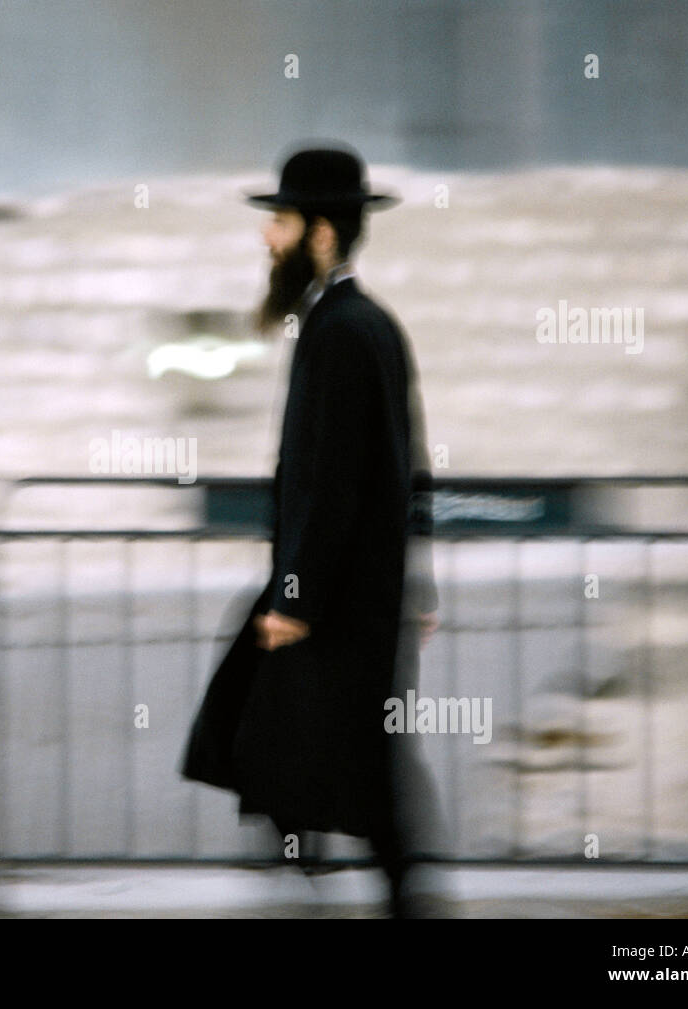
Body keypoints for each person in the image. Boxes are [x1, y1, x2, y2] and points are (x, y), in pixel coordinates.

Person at [180, 143, 446, 917]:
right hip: (352, 595)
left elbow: (332, 483)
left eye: (283, 222)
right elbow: (408, 468)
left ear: (322, 235)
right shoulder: (364, 325)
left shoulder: (340, 331)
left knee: (352, 762)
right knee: (296, 738)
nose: (268, 239)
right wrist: (412, 585)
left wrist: (296, 599)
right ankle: (308, 868)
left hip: (336, 605)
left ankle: (384, 891)